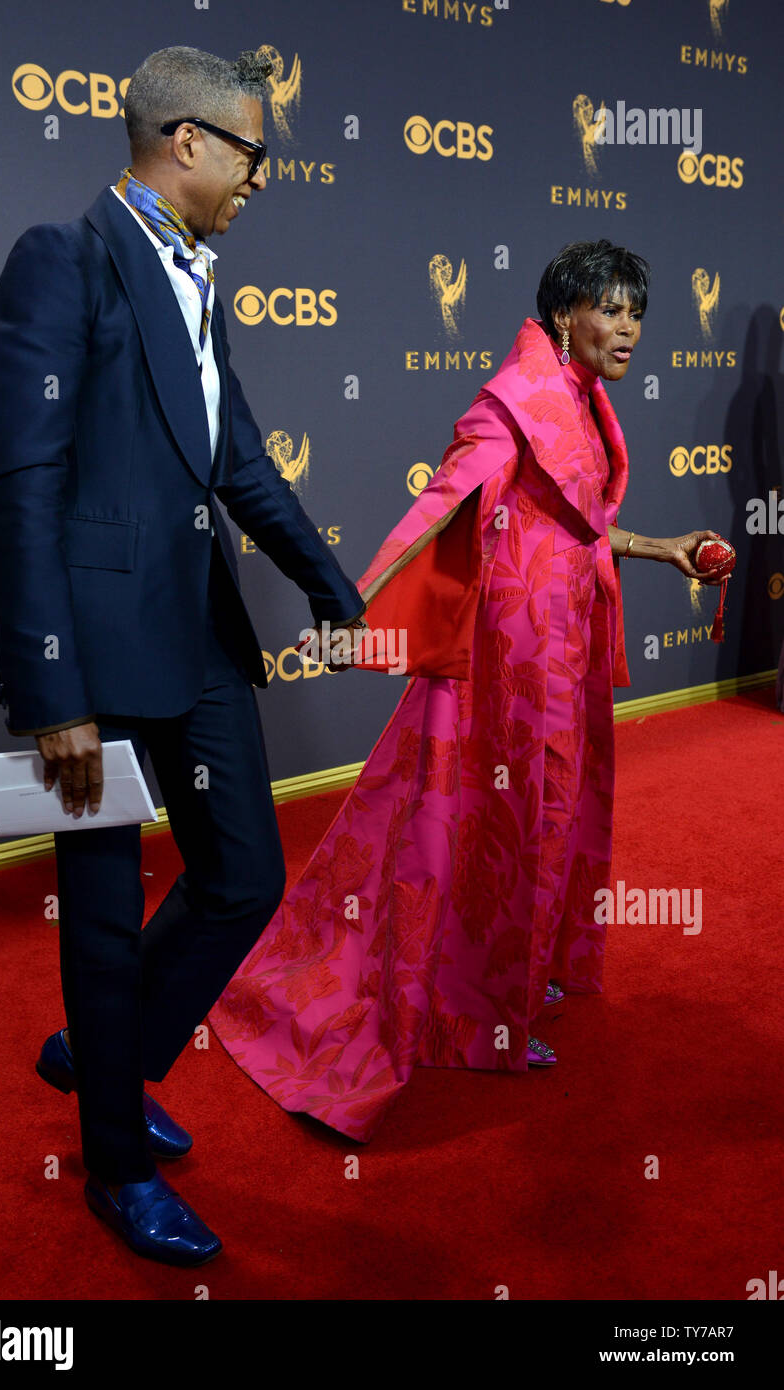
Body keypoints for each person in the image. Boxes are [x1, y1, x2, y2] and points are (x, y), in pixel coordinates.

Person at [209, 240, 730, 1143]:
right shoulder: (513, 402)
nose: (630, 330)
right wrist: (358, 613)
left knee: (552, 812)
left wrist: (661, 549)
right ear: (566, 313)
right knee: (494, 824)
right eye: (612, 310)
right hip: (509, 658)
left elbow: (576, 525)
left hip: (564, 646)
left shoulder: (582, 396)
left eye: (638, 314)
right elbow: (444, 503)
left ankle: (519, 978)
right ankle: (474, 1011)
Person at [0, 45, 364, 1265]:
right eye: (255, 154)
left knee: (244, 876)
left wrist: (327, 581)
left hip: (200, 633)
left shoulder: (200, 279)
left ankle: (104, 1056)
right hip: (91, 659)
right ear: (186, 142)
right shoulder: (64, 259)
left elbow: (237, 457)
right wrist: (52, 690)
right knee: (100, 919)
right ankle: (114, 1164)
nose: (264, 178)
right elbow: (21, 487)